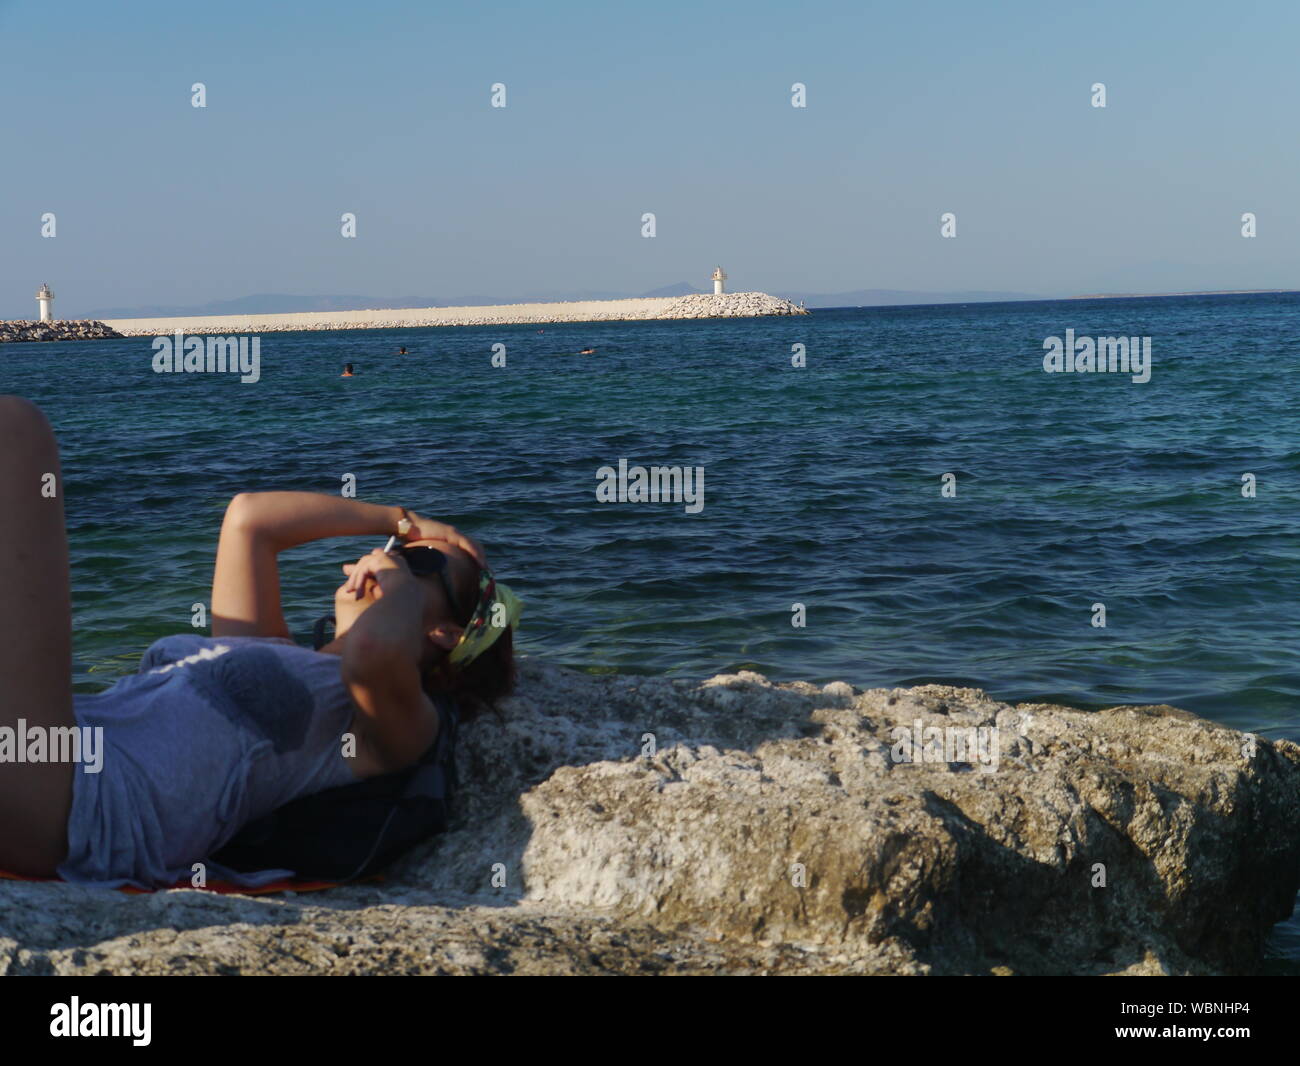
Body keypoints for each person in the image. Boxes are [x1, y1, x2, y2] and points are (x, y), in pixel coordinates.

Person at [0, 396, 520, 888]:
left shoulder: (397, 722)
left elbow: (374, 654)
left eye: (418, 563)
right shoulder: (273, 650)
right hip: (63, 748)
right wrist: (401, 521)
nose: (381, 557)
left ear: (447, 633)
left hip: (88, 810)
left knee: (16, 432)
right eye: (388, 551)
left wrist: (396, 584)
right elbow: (250, 519)